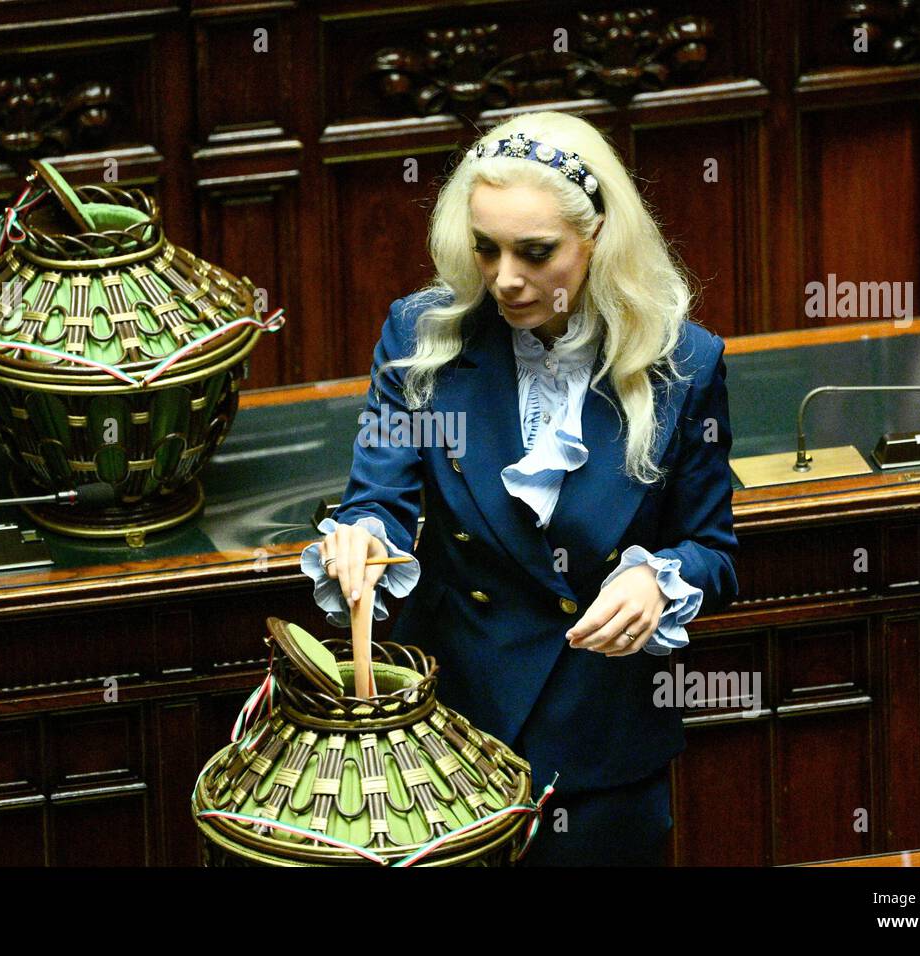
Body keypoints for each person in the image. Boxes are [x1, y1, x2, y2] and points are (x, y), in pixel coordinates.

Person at [300, 110, 738, 866]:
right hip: (446, 740)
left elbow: (713, 551)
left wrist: (657, 585)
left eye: (535, 253)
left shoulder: (685, 365)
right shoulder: (420, 336)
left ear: (598, 237)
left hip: (600, 739)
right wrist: (362, 540)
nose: (504, 278)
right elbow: (380, 499)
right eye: (485, 247)